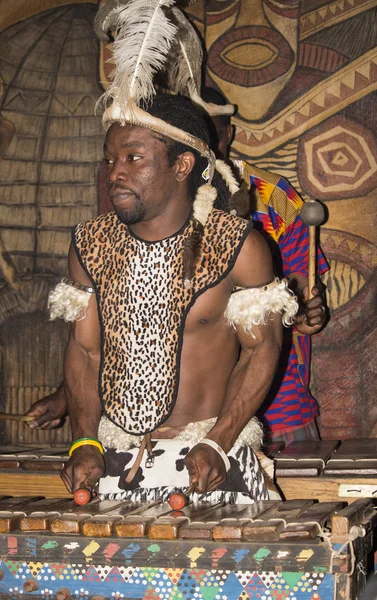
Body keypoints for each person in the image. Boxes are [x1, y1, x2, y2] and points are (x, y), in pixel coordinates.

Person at [47, 90, 300, 503]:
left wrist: (218, 441)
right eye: (110, 159)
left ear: (182, 165)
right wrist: (84, 441)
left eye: (134, 158)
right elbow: (84, 351)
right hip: (116, 455)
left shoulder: (237, 245)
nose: (115, 173)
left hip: (212, 454)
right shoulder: (90, 243)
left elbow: (261, 350)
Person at [202, 86, 329, 445]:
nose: (205, 142)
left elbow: (303, 291)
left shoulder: (273, 195)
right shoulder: (164, 205)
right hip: (190, 415)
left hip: (279, 407)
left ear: (229, 133)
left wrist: (302, 312)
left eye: (212, 130)